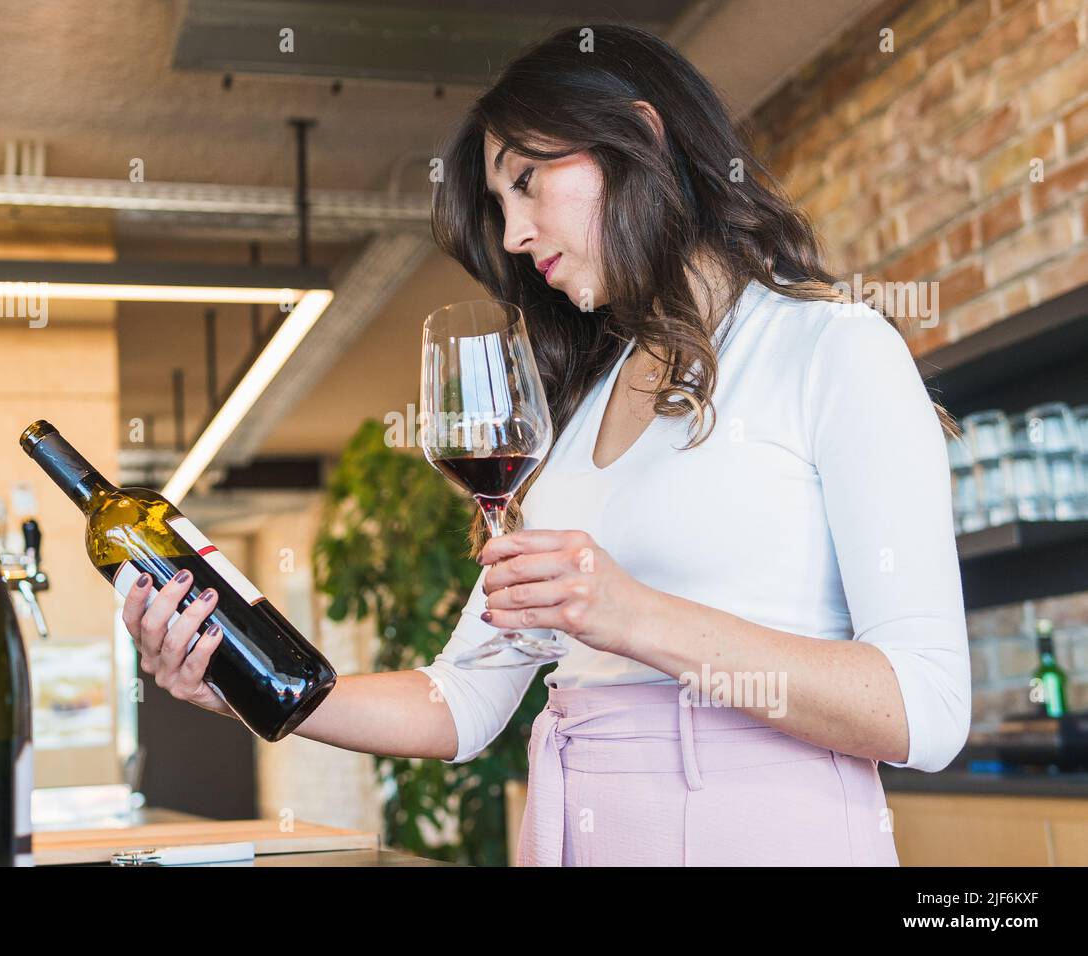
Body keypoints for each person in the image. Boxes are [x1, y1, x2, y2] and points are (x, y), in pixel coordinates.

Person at [121, 23, 970, 866]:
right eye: (501, 207)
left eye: (528, 181)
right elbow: (460, 700)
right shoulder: (567, 424)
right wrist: (252, 685)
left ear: (639, 135)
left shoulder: (832, 349)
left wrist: (633, 616)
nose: (516, 235)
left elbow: (926, 708)